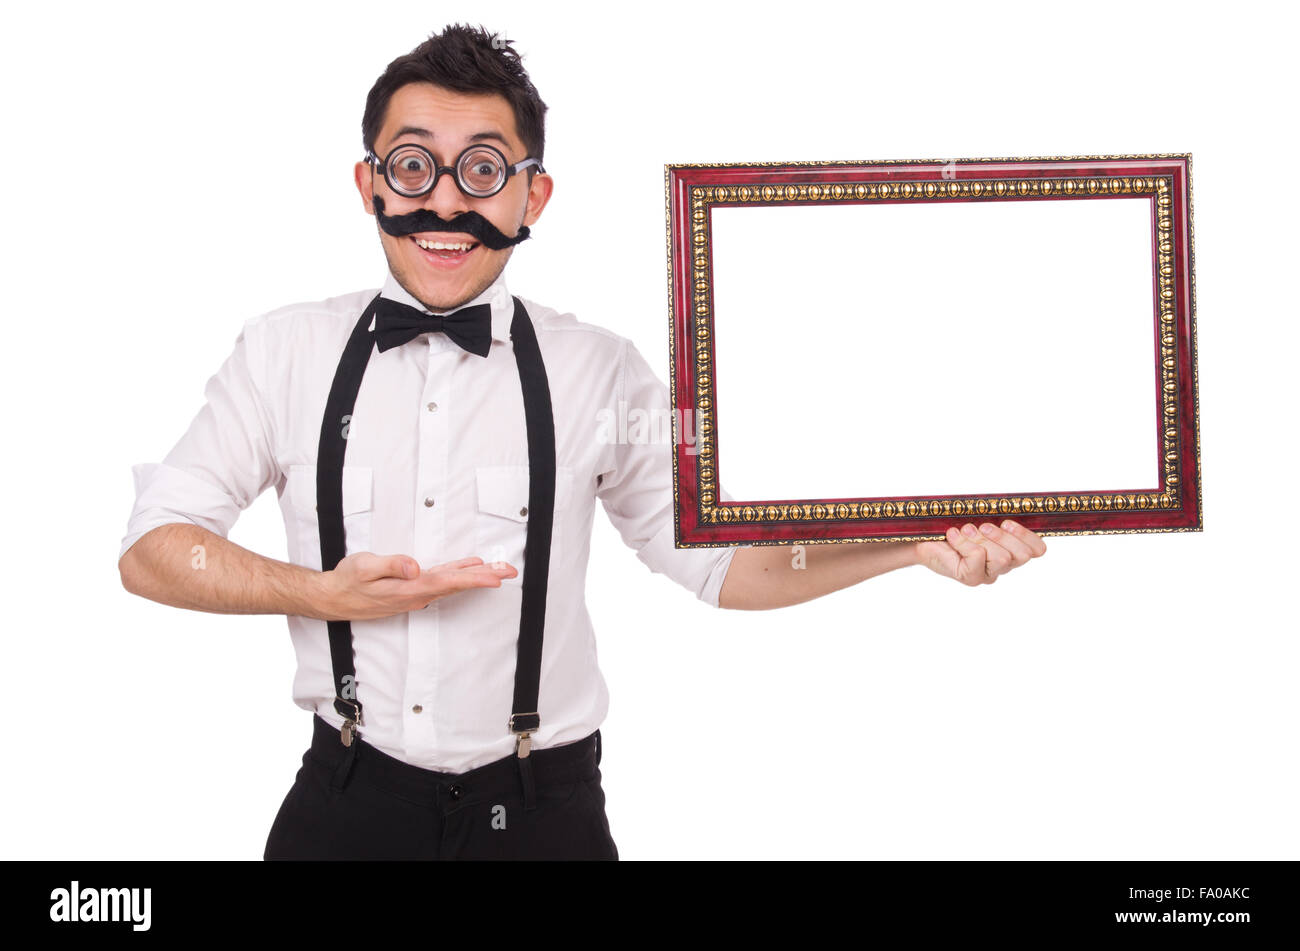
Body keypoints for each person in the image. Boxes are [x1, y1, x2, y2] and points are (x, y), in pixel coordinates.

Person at [116, 23, 1047, 861]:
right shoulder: (283, 351)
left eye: (483, 170)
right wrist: (318, 592)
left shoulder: (601, 371)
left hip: (542, 814)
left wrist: (907, 545)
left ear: (534, 197)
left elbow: (724, 567)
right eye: (412, 167)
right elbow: (156, 548)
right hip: (345, 806)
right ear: (368, 183)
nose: (445, 205)